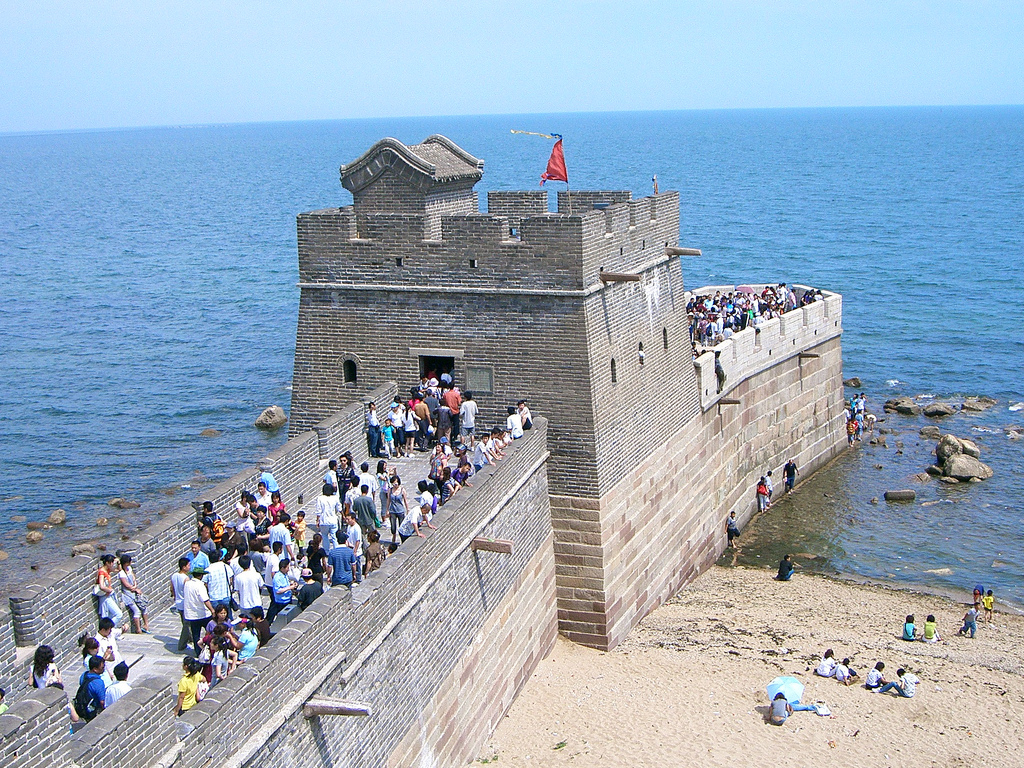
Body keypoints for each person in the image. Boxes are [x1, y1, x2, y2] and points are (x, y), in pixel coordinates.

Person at [183, 568, 214, 656]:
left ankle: (198, 652)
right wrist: (212, 610)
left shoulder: (187, 584)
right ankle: (210, 649)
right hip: (203, 614)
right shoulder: (200, 585)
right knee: (210, 632)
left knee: (195, 635)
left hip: (191, 615)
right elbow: (205, 599)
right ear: (200, 576)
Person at [118, 554, 150, 634]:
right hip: (128, 595)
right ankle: (138, 629)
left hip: (134, 591)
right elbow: (126, 585)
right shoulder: (122, 573)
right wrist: (134, 589)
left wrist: (135, 585)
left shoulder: (129, 569)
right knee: (137, 611)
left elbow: (133, 577)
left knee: (144, 607)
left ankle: (146, 625)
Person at [203, 549, 234, 619]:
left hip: (213, 597)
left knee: (217, 618)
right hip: (225, 595)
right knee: (227, 616)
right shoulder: (226, 567)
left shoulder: (207, 570)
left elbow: (205, 584)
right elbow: (231, 580)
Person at [75, 655, 107, 722]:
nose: (104, 669)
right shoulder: (98, 683)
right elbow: (102, 702)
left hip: (84, 706)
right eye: (102, 667)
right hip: (93, 711)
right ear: (95, 669)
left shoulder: (84, 675)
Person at [265, 558, 296, 626]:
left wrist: (291, 585)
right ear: (282, 568)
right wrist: (290, 587)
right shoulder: (277, 577)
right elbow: (278, 590)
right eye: (287, 567)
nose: (288, 569)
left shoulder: (285, 575)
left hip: (288, 600)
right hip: (281, 602)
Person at [96, 554, 124, 627]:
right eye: (111, 562)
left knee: (110, 615)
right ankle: (108, 628)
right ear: (107, 563)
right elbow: (102, 586)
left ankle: (110, 631)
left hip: (109, 595)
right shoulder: (102, 572)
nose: (112, 564)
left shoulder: (107, 570)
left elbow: (119, 570)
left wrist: (118, 562)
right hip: (105, 597)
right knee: (118, 614)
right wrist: (109, 590)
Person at [315, 483, 343, 549]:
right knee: (334, 537)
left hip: (324, 520)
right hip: (333, 520)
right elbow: (339, 508)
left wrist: (317, 520)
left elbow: (318, 510)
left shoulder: (320, 498)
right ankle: (336, 549)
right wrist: (343, 515)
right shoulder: (335, 498)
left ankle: (326, 551)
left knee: (324, 536)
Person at [385, 475, 410, 546]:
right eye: (393, 483)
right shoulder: (390, 490)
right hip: (392, 510)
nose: (395, 485)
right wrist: (387, 510)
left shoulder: (402, 490)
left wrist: (407, 509)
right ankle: (393, 538)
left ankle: (402, 539)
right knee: (393, 527)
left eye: (396, 483)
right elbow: (388, 500)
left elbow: (405, 500)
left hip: (400, 510)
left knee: (401, 526)